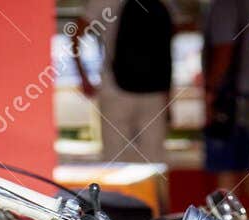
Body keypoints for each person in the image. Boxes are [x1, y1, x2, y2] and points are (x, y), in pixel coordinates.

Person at [73, 0, 174, 164]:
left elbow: (77, 33)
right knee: (154, 160)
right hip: (154, 90)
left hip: (114, 88)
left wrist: (83, 75)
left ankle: (117, 190)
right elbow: (167, 43)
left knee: (114, 159)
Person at [202, 0, 249, 192]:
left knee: (226, 174)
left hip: (228, 97)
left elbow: (224, 50)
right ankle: (248, 219)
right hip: (246, 92)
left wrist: (210, 91)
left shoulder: (223, 6)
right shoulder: (247, 5)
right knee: (244, 169)